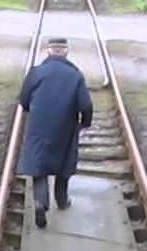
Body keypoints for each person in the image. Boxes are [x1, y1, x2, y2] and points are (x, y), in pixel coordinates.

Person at [16, 37, 93, 229]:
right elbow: (86, 104)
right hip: (65, 125)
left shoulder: (37, 72)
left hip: (39, 124)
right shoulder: (75, 75)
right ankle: (62, 199)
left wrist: (30, 108)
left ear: (48, 51)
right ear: (66, 52)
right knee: (64, 163)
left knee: (38, 163)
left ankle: (41, 202)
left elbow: (23, 99)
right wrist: (84, 123)